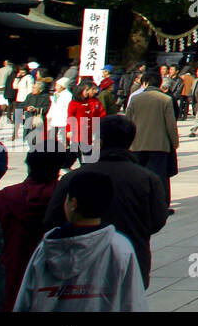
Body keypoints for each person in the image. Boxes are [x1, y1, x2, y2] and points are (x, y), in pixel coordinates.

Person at [44, 116, 167, 288]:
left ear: (99, 142)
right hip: (132, 258)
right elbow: (157, 221)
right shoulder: (148, 179)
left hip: (80, 262)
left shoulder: (74, 177)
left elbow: (53, 220)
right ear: (130, 142)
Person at [14, 170, 147, 312]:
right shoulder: (120, 248)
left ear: (73, 203)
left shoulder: (46, 249)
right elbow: (133, 302)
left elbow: (24, 301)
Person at [0, 151, 65, 312]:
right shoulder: (65, 199)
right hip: (55, 277)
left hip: (12, 273)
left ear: (28, 165)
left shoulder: (4, 197)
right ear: (59, 168)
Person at [126, 69, 180, 209]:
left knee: (137, 175)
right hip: (159, 145)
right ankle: (160, 205)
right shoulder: (165, 99)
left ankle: (137, 202)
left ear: (144, 83)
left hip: (137, 144)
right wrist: (174, 143)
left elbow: (128, 121)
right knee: (160, 177)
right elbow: (171, 125)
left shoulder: (135, 99)